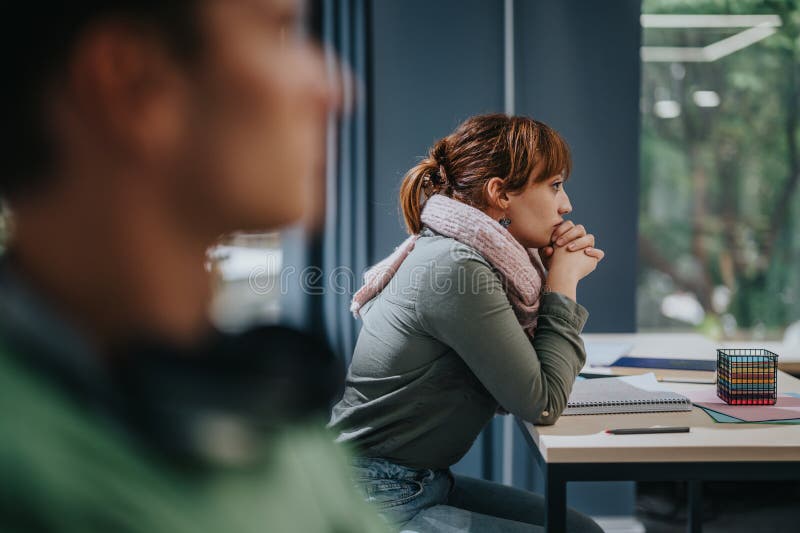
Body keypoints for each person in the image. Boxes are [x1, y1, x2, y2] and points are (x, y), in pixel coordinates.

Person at [0, 1, 386, 531]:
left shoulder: (257, 401)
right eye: (278, 32)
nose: (335, 90)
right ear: (131, 83)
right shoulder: (31, 483)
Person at [330, 114, 606, 532]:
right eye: (554, 186)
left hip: (421, 482)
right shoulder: (458, 268)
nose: (565, 205)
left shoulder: (472, 259)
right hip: (374, 495)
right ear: (500, 194)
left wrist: (555, 280)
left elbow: (533, 380)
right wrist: (562, 281)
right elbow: (541, 401)